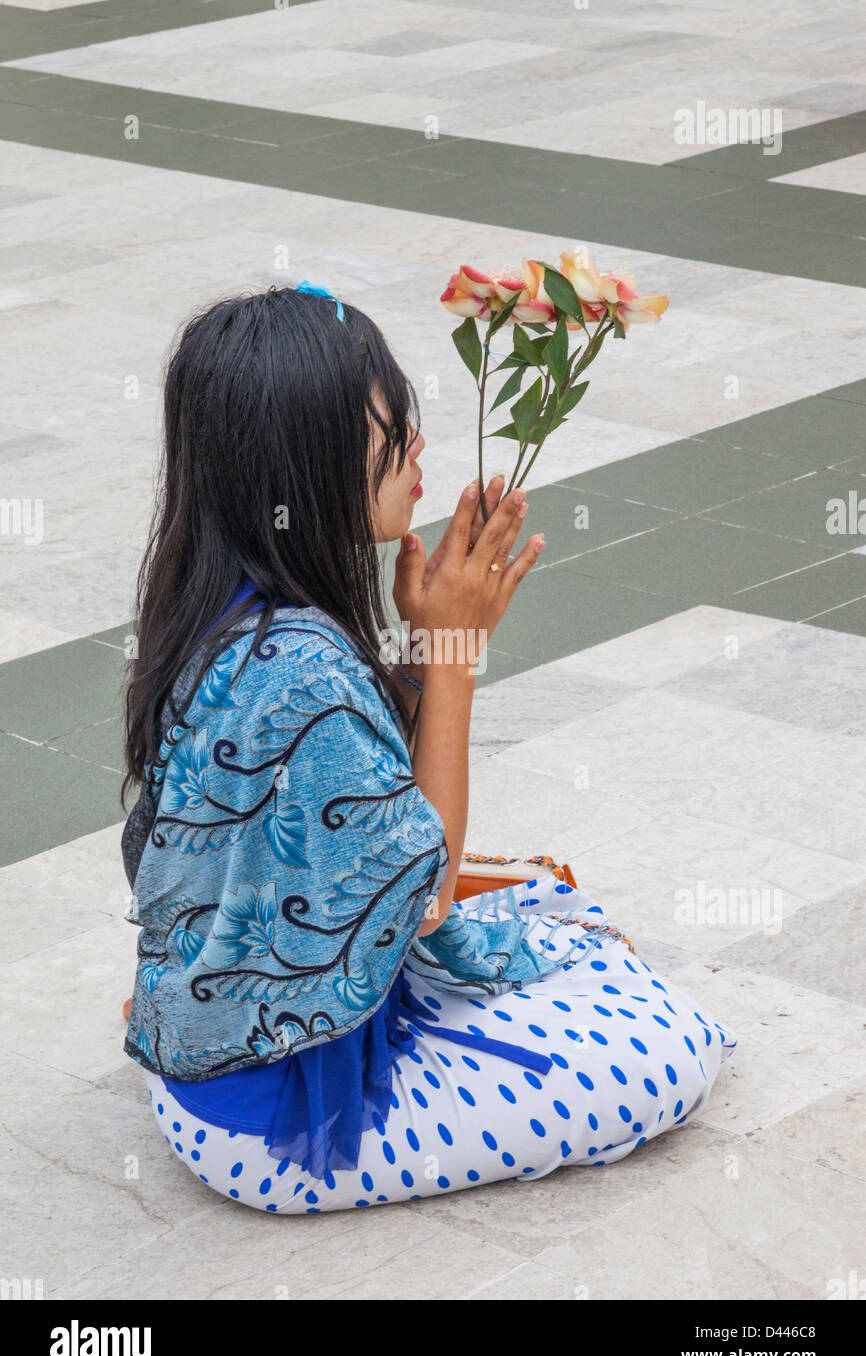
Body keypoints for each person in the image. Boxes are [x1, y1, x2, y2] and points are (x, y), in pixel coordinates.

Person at [121, 282, 737, 1213]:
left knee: (549, 906)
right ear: (308, 469)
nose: (418, 454)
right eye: (392, 437)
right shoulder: (301, 670)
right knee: (667, 1048)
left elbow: (353, 804)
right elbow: (424, 895)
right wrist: (452, 660)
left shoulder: (229, 611)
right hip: (272, 1119)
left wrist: (418, 647)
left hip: (207, 1046)